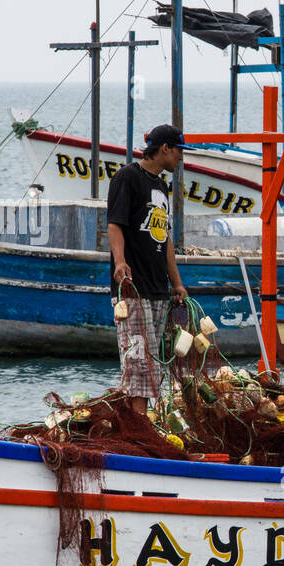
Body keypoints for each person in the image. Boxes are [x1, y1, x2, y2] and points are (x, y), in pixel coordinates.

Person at [108, 123, 189, 414]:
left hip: (158, 290)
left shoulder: (161, 185)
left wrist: (176, 283)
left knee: (154, 363)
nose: (181, 157)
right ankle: (139, 427)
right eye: (179, 151)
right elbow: (115, 224)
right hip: (133, 288)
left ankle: (149, 422)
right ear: (165, 148)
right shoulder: (127, 177)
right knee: (138, 362)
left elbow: (164, 238)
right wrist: (120, 261)